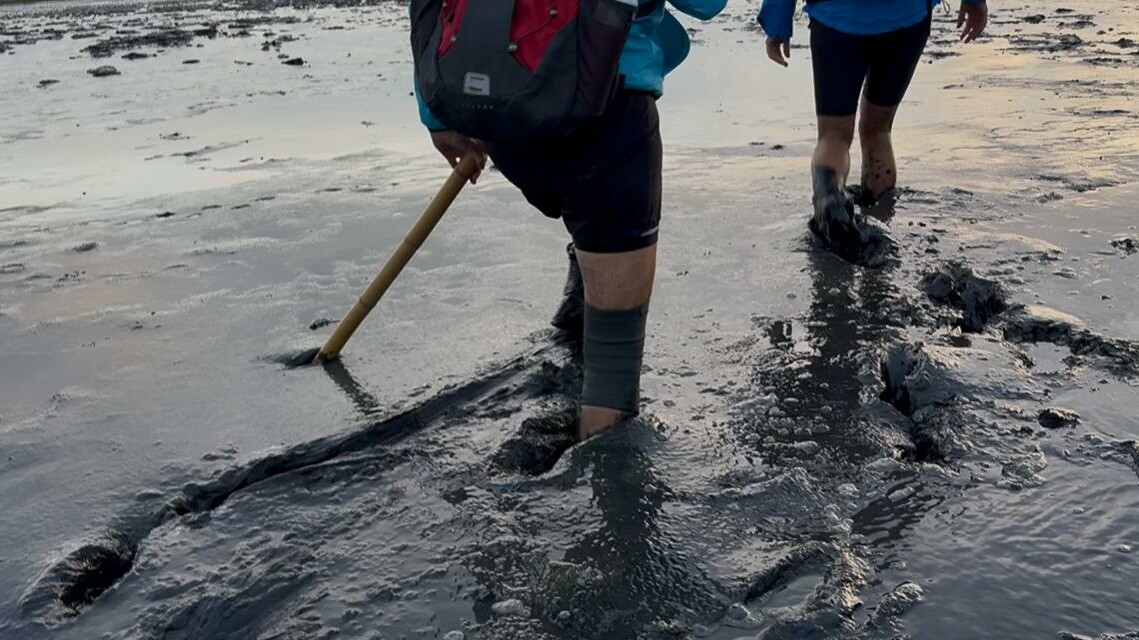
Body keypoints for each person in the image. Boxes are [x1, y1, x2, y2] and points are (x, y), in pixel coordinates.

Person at [415, 0, 727, 440]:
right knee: (612, 373)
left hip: (504, 114)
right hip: (604, 117)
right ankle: (601, 490)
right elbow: (708, 5)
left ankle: (580, 293)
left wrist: (434, 113)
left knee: (582, 213)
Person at [758, 0, 988, 262]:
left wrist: (777, 24)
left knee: (833, 135)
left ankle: (829, 195)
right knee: (877, 130)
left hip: (836, 18)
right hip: (906, 18)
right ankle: (878, 229)